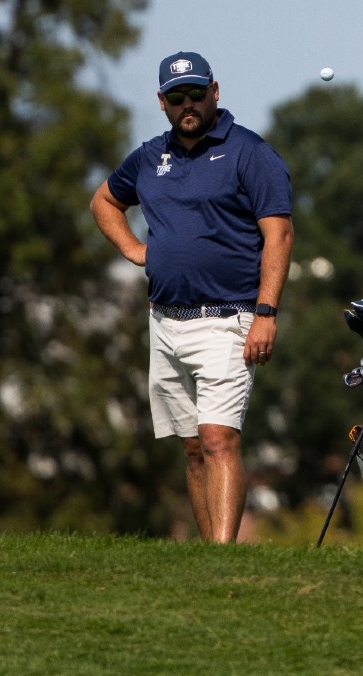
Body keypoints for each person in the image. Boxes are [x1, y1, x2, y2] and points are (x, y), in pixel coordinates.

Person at [90, 51, 293, 543]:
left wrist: (267, 312)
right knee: (193, 448)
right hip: (166, 323)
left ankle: (224, 560)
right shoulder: (147, 158)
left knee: (219, 439)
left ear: (215, 92)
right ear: (161, 102)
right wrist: (134, 250)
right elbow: (103, 200)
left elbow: (279, 235)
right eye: (177, 96)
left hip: (229, 319)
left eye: (197, 93)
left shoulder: (249, 152)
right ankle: (208, 560)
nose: (189, 104)